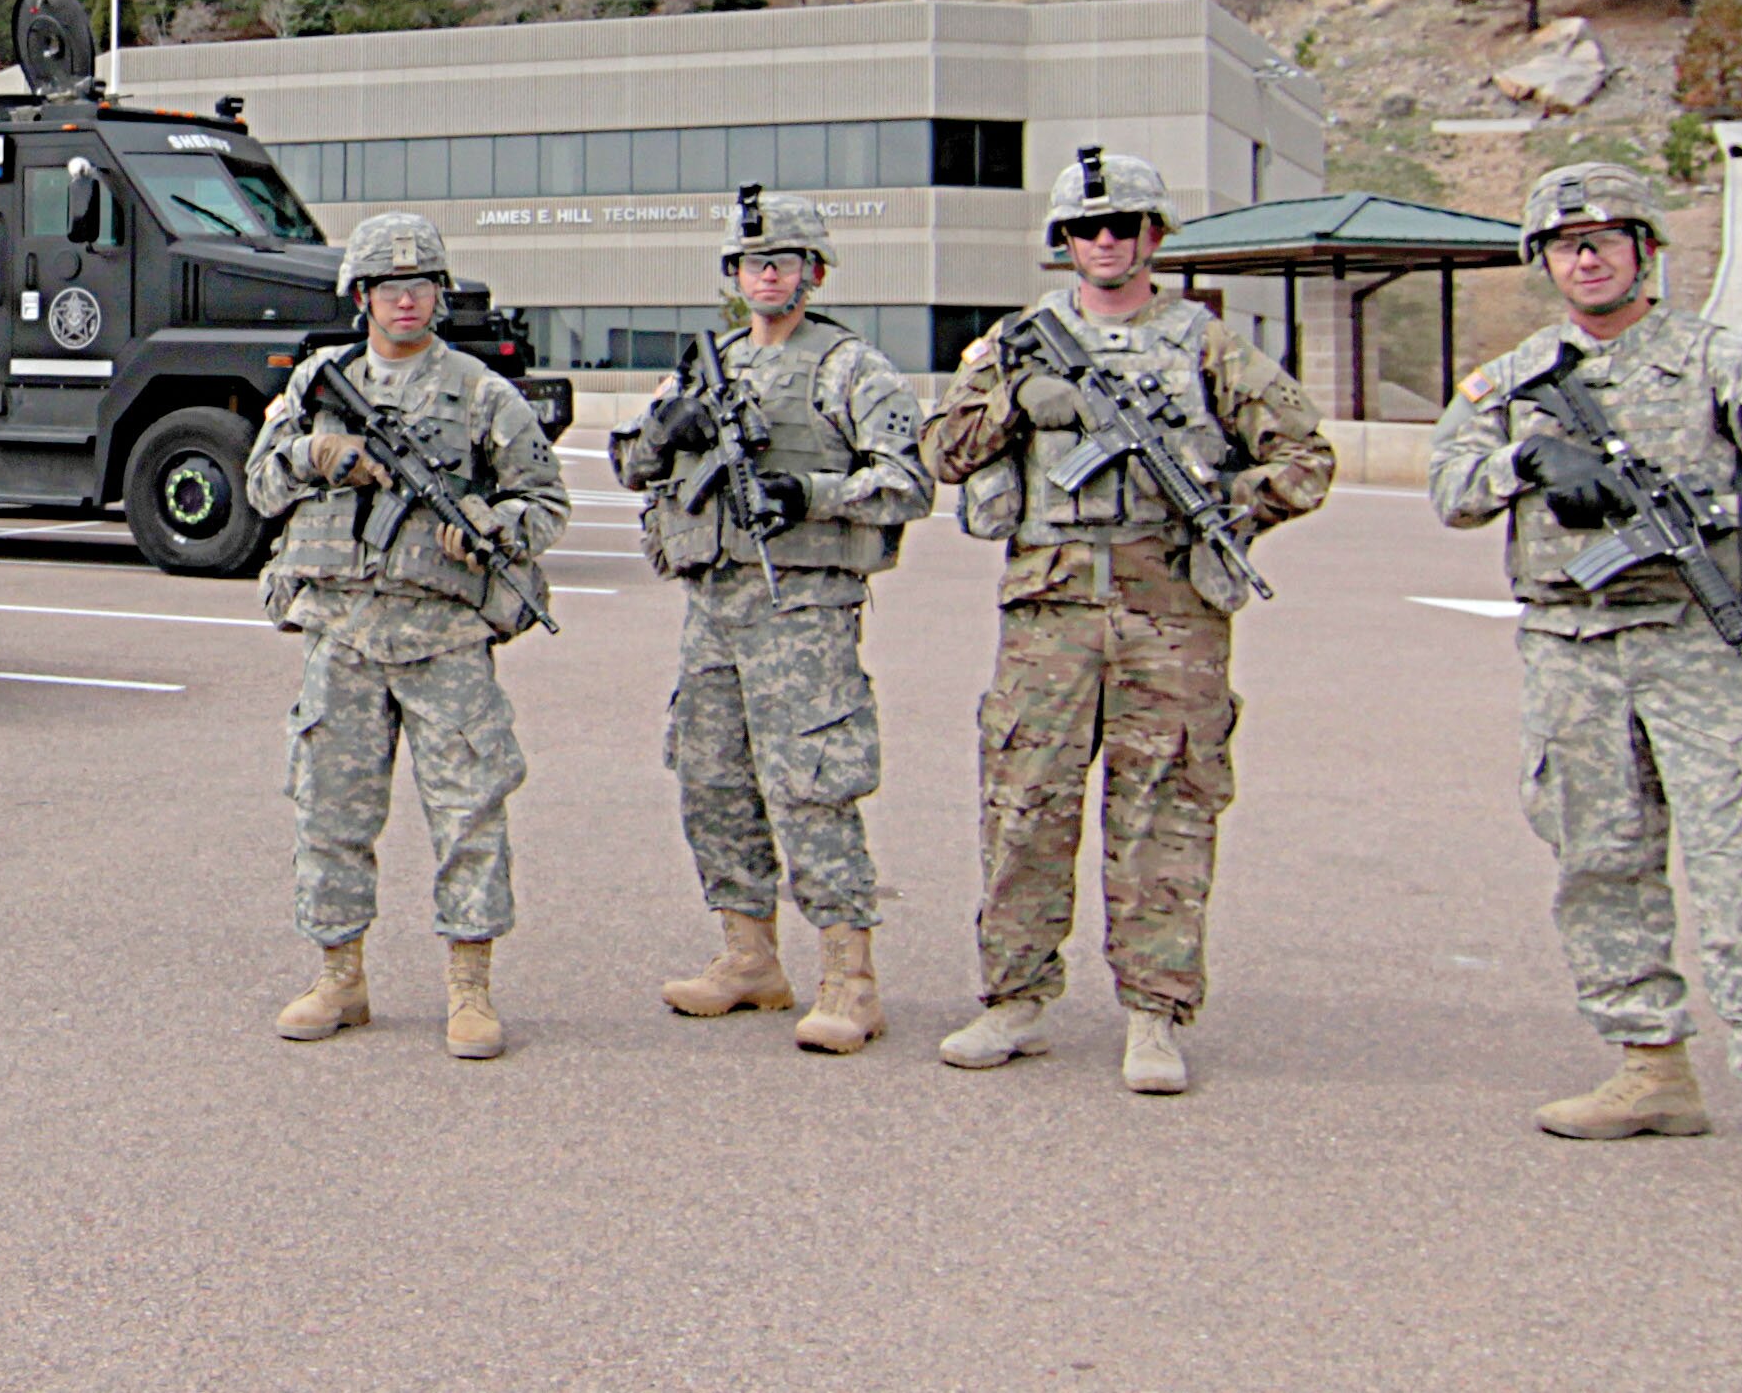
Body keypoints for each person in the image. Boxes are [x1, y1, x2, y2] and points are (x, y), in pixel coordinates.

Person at [1429, 161, 1742, 1213]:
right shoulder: (1512, 382)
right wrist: (1525, 463)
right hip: (1570, 650)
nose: (1585, 258)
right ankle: (1650, 1066)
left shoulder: (1728, 365)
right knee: (1598, 863)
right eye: (1564, 244)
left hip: (1699, 648)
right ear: (1543, 263)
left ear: (1646, 250)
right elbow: (1449, 486)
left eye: (1605, 239)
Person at [923, 147, 1331, 1095]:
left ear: (1153, 236)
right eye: (1085, 228)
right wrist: (1018, 401)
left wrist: (1225, 502)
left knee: (1166, 808)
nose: (1104, 242)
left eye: (1121, 226)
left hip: (1171, 611)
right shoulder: (1018, 342)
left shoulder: (1207, 343)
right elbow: (943, 451)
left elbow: (1305, 457)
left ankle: (1155, 1013)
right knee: (1025, 805)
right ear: (1063, 241)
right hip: (1050, 612)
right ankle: (1014, 1000)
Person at [610, 188, 931, 1055]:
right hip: (714, 606)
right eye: (752, 263)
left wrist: (810, 493)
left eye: (783, 262)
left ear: (814, 272)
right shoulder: (706, 366)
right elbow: (630, 463)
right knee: (712, 779)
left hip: (803, 609)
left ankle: (850, 978)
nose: (767, 276)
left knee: (812, 786)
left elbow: (908, 482)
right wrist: (667, 427)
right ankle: (749, 956)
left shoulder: (852, 369)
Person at [244, 209, 569, 1056]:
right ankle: (339, 978)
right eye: (389, 287)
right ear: (361, 296)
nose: (406, 301)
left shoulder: (481, 393)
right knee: (329, 813)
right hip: (343, 635)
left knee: (469, 815)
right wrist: (313, 457)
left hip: (443, 640)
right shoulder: (318, 385)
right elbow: (260, 489)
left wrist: (492, 525)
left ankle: (469, 988)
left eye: (421, 285)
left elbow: (546, 504)